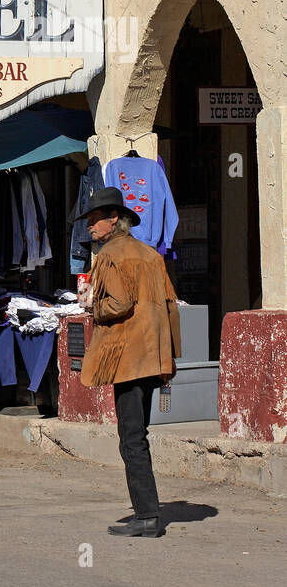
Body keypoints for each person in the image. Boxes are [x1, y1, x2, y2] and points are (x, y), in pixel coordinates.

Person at [78, 186, 182, 538]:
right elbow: (170, 305)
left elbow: (119, 304)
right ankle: (147, 512)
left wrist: (92, 307)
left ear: (113, 220)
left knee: (131, 437)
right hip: (153, 355)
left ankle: (147, 515)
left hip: (128, 357)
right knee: (139, 434)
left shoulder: (111, 255)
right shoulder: (150, 254)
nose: (90, 226)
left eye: (95, 219)